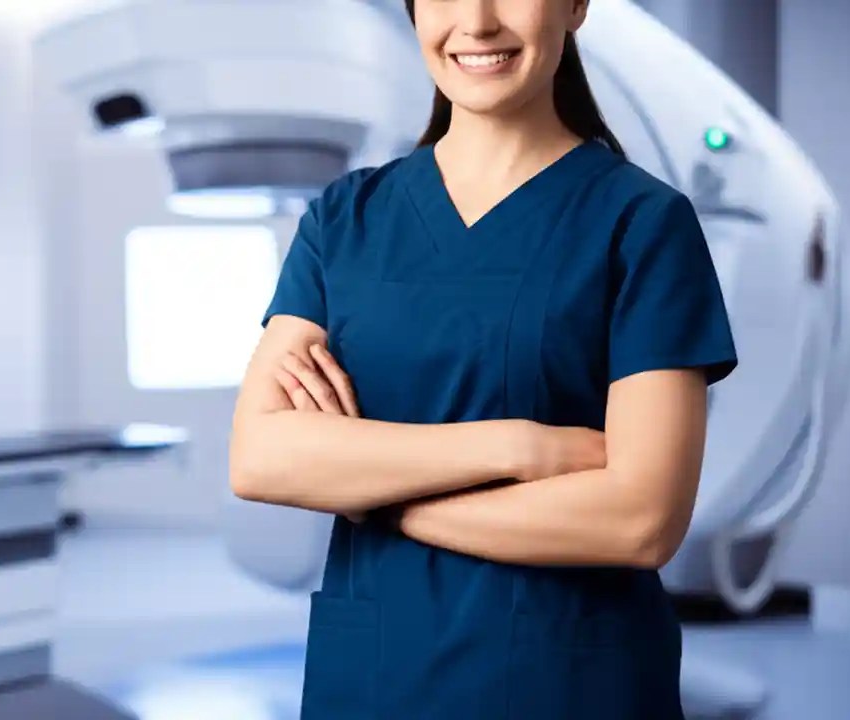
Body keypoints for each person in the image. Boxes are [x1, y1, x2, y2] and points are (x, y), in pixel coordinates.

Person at [228, 0, 738, 717]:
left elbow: (642, 518)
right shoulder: (343, 221)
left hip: (565, 682)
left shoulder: (643, 225)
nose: (476, 19)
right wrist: (521, 447)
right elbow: (259, 457)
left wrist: (366, 486)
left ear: (575, 5)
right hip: (376, 677)